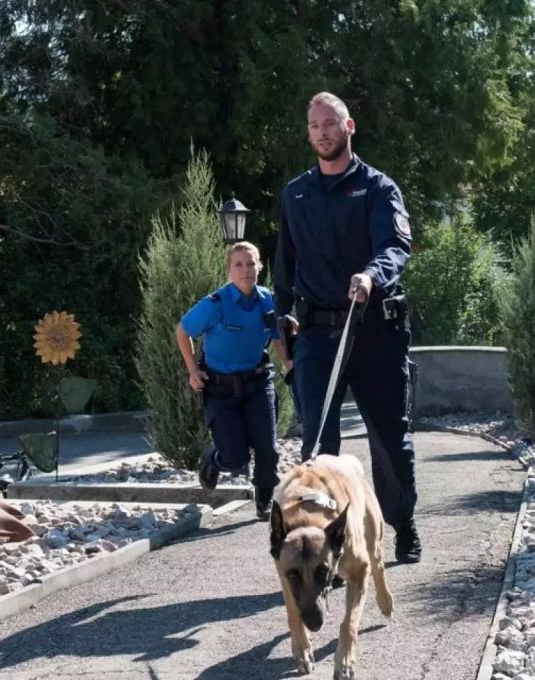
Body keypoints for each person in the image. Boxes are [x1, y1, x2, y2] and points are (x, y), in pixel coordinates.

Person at [274, 92, 421, 563]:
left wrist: (370, 276)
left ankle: (401, 522)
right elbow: (284, 266)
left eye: (330, 123)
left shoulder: (378, 188)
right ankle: (322, 539)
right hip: (317, 334)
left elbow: (396, 246)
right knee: (318, 441)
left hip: (374, 328)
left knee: (387, 434)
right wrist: (283, 329)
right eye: (314, 125)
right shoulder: (296, 193)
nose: (321, 132)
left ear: (349, 126)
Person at [176, 241, 291, 521]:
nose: (245, 270)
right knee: (235, 459)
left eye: (251, 263)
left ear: (259, 267)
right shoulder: (215, 303)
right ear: (228, 269)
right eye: (238, 264)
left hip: (257, 383)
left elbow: (277, 336)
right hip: (220, 388)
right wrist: (193, 371)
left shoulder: (267, 300)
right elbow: (183, 330)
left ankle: (264, 500)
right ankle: (215, 460)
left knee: (267, 447)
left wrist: (289, 363)